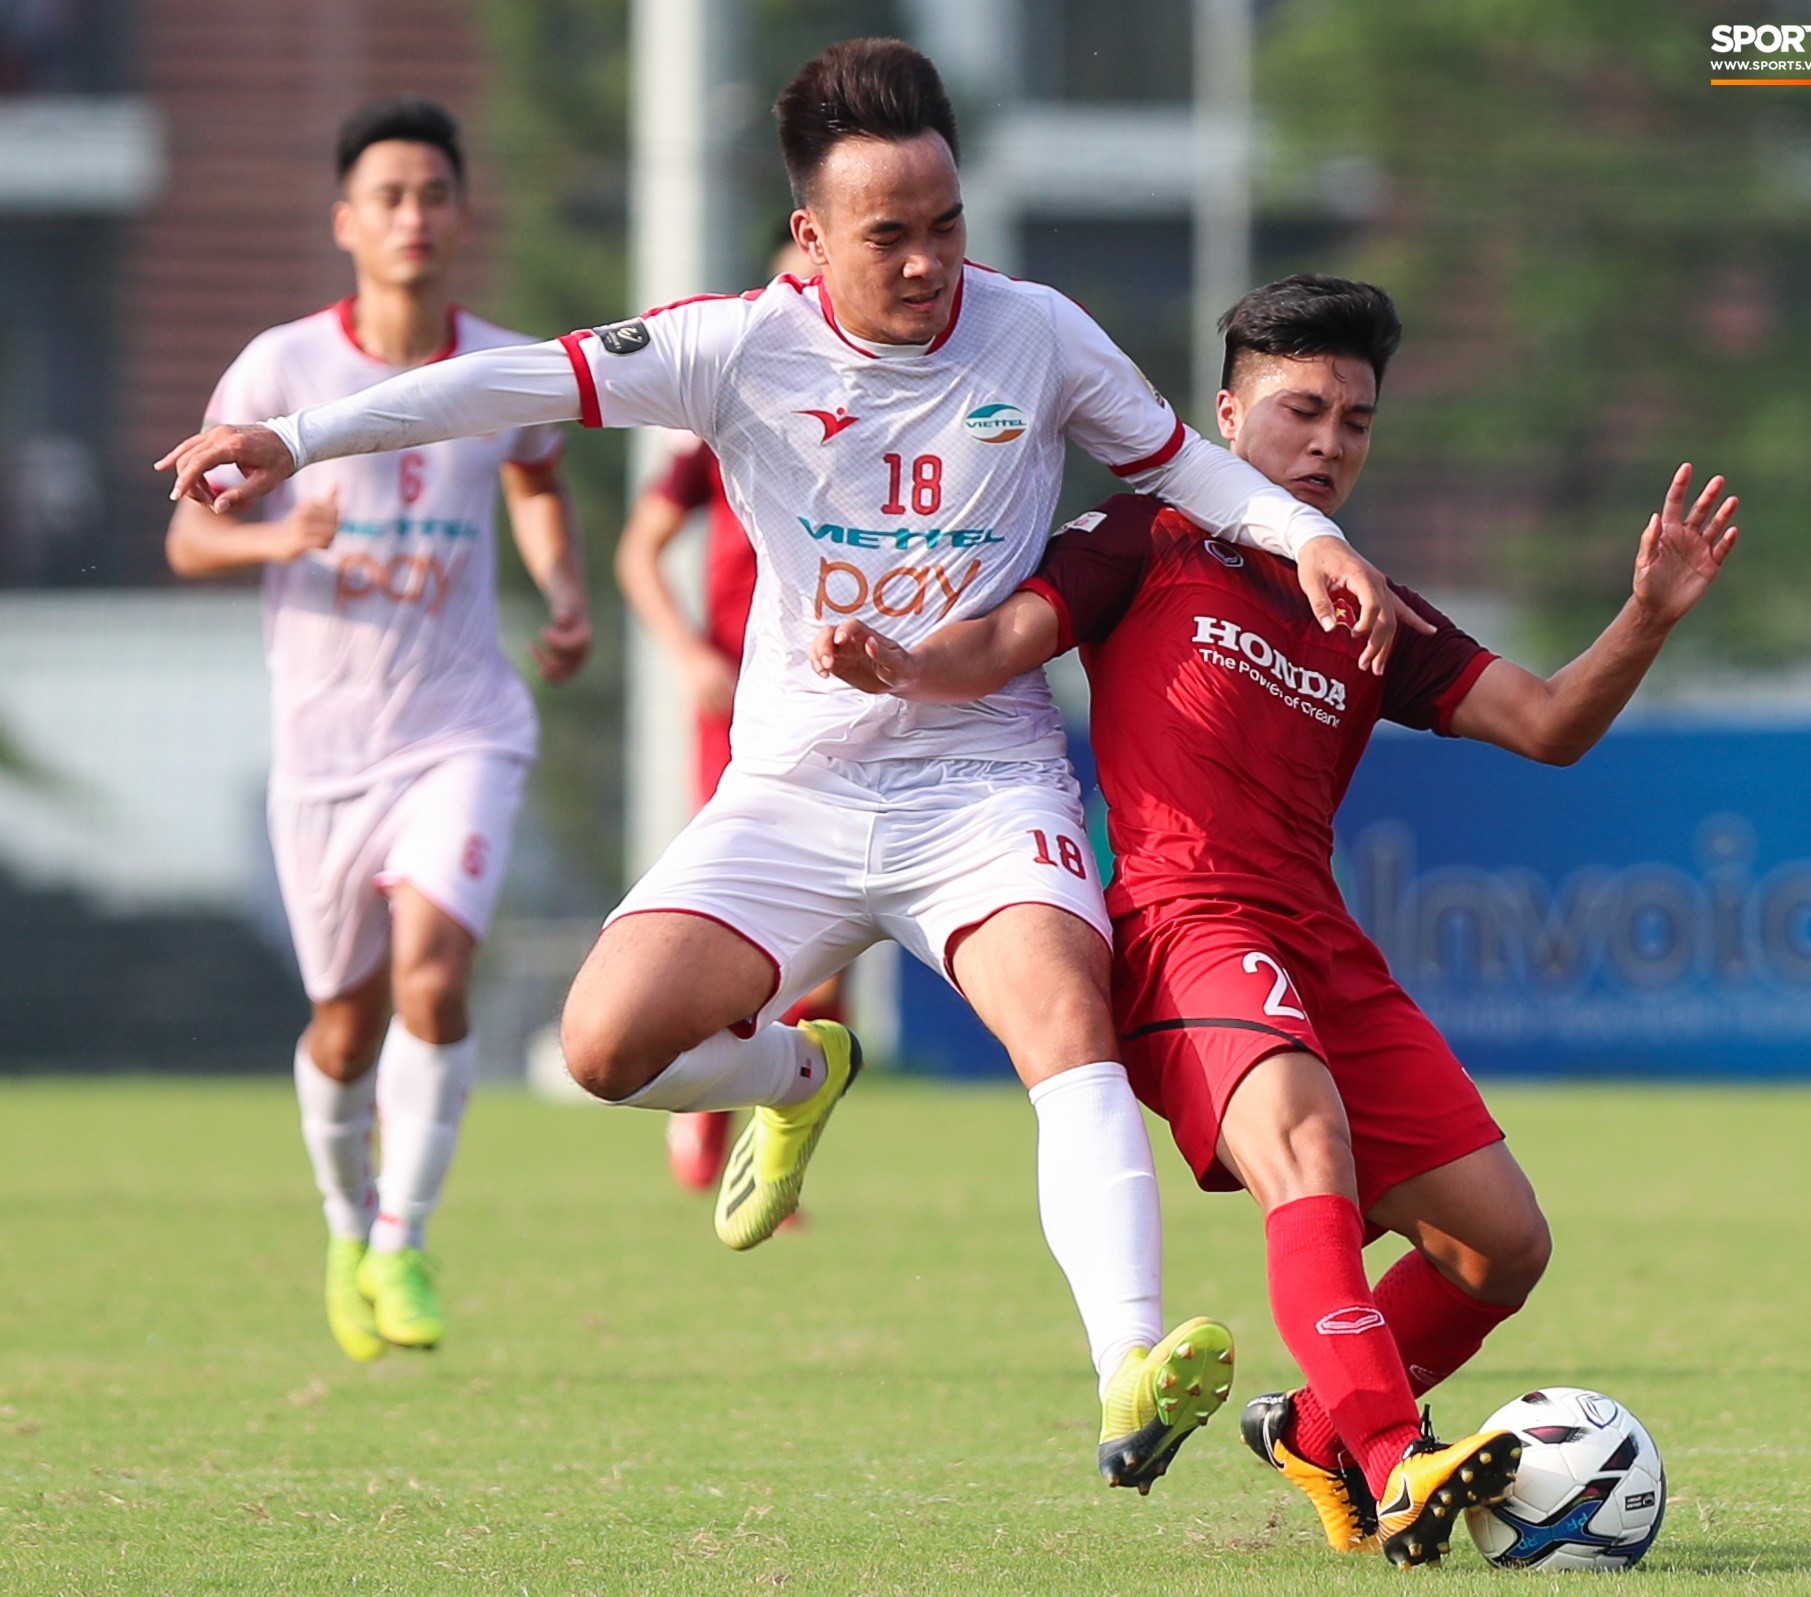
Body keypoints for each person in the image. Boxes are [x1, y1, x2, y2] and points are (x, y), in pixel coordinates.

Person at [157, 43, 1414, 1489]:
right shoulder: (732, 342)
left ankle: (1128, 1361)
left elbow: (1182, 465)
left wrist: (1309, 535)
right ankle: (797, 1069)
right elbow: (498, 386)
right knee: (605, 1049)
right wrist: (294, 437)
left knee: (1063, 1022)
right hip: (794, 795)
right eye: (893, 233)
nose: (934, 260)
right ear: (812, 238)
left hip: (982, 788)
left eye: (947, 223)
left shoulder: (1041, 333)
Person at [808, 273, 1738, 1563]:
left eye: (1355, 422)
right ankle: (1391, 1454)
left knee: (1501, 1246)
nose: (1329, 444)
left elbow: (1547, 725)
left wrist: (1643, 617)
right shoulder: (1144, 534)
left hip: (1322, 942)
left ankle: (1314, 1425)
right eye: (1302, 410)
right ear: (1227, 416)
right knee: (1303, 1144)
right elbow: (1008, 634)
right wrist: (903, 662)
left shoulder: (1367, 598)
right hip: (1185, 922)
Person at [164, 97, 591, 1363]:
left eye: (434, 194)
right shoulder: (282, 369)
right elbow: (186, 532)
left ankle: (405, 1235)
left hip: (463, 726)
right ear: (347, 222)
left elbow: (531, 473)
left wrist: (561, 592)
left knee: (432, 975)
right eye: (389, 196)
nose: (414, 215)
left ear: (462, 214)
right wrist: (266, 534)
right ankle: (347, 1224)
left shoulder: (495, 363)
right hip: (326, 756)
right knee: (345, 1024)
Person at [616, 235, 849, 1193]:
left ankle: (768, 1130)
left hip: (848, 691)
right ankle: (705, 1137)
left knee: (831, 948)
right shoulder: (727, 404)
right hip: (741, 703)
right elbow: (641, 550)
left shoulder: (888, 405)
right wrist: (686, 653)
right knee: (742, 918)